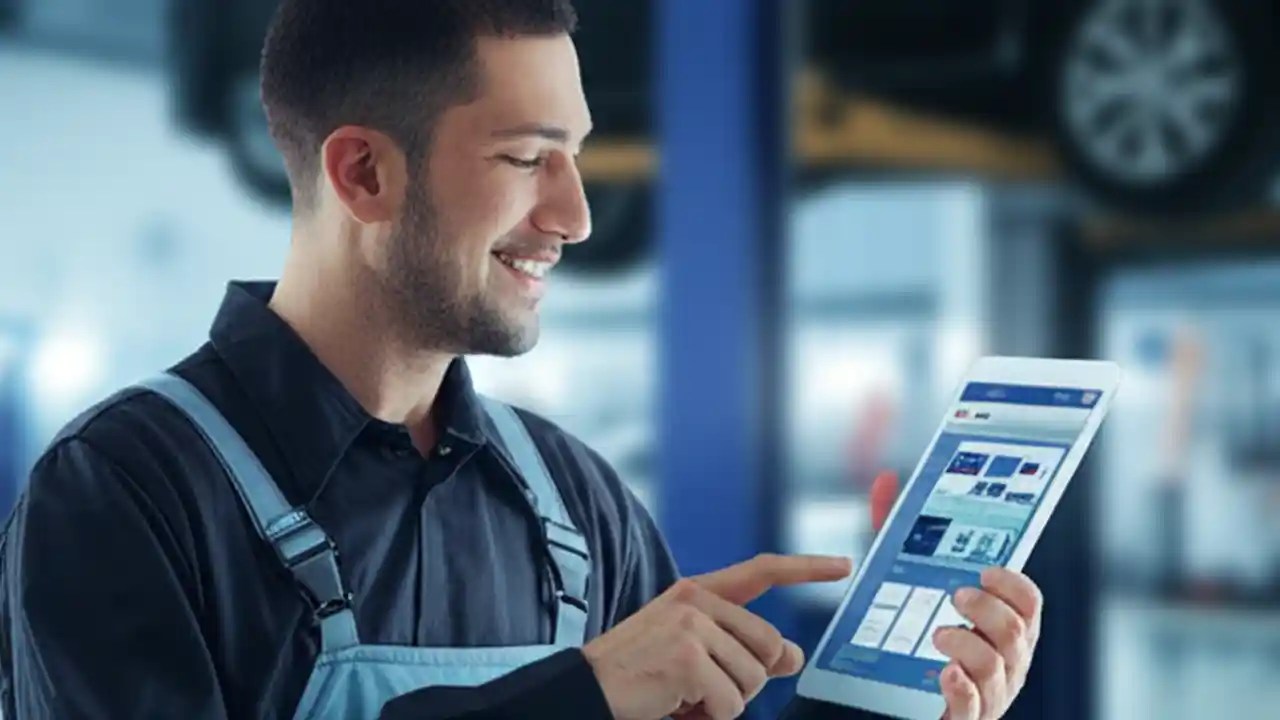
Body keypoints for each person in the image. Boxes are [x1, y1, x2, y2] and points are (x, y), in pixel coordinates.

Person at [0, 1, 1044, 718]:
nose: (576, 215)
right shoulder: (124, 494)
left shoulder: (575, 505)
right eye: (524, 158)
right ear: (362, 171)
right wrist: (575, 698)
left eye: (577, 154)